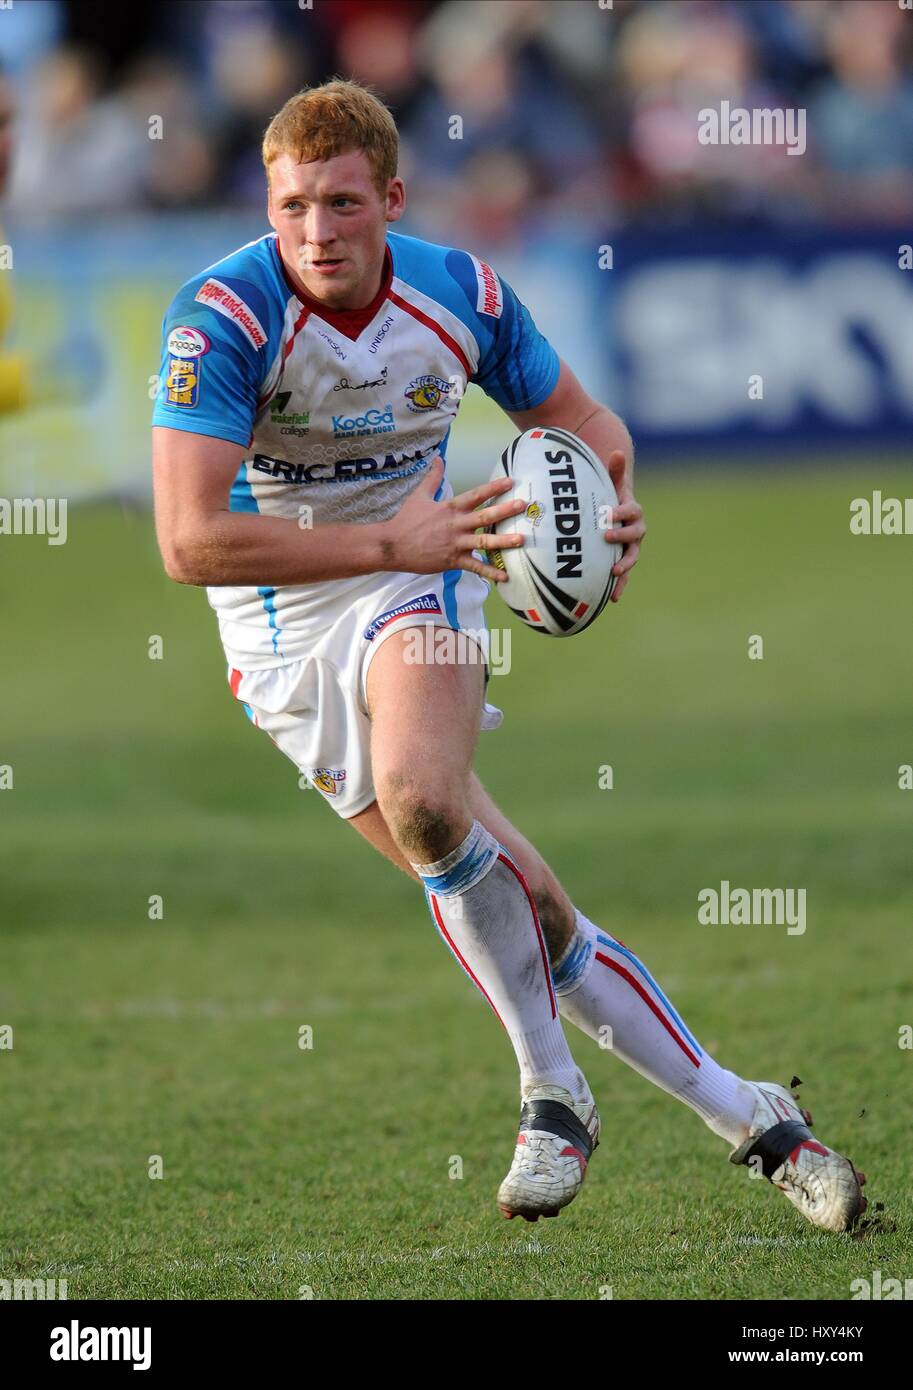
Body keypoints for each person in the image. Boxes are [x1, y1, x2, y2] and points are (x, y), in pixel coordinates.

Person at [151, 79, 866, 1229]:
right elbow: (187, 544)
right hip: (277, 624)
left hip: (423, 575)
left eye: (341, 204)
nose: (316, 233)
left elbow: (584, 425)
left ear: (391, 195)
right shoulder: (221, 320)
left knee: (425, 799)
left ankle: (551, 1094)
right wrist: (391, 531)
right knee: (529, 908)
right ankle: (756, 1117)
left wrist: (609, 504)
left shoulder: (461, 293)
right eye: (291, 208)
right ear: (267, 205)